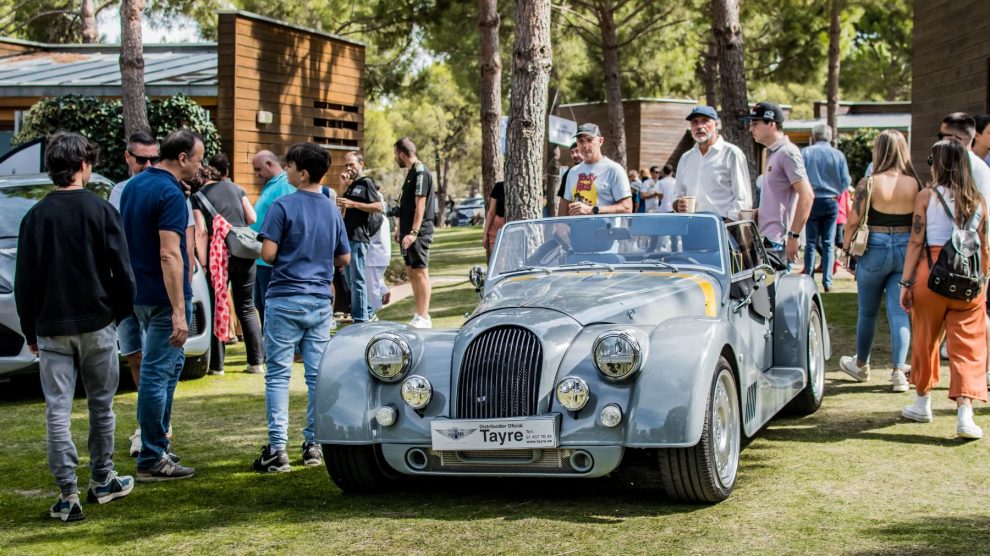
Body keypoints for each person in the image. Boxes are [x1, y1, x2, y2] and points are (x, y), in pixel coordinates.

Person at [15, 132, 135, 522]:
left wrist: (31, 331)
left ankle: (67, 493)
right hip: (97, 322)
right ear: (85, 166)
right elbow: (124, 274)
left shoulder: (35, 217)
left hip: (51, 327)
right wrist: (115, 314)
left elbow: (25, 281)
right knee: (101, 406)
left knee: (58, 410)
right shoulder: (101, 211)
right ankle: (102, 478)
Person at [254, 143, 350, 472]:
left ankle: (277, 449)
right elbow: (344, 257)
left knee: (279, 375)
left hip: (284, 297)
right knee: (315, 376)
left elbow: (267, 254)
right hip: (320, 300)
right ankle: (313, 444)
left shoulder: (282, 206)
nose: (287, 171)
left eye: (290, 166)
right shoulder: (330, 209)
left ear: (303, 172)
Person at [120, 129, 203, 482]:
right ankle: (152, 456)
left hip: (137, 294)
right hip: (162, 297)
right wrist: (180, 312)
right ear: (182, 158)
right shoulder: (169, 192)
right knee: (156, 375)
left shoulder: (134, 185)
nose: (200, 167)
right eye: (198, 159)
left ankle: (158, 445)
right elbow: (170, 253)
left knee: (167, 369)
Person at [898, 140, 987, 439]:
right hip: (969, 279)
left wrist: (905, 282)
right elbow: (984, 248)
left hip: (931, 272)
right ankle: (965, 414)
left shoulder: (926, 196)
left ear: (939, 164)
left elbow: (915, 241)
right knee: (968, 346)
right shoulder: (978, 201)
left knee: (925, 339)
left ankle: (923, 402)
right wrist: (983, 281)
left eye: (930, 160)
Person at [838, 130, 920, 392]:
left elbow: (852, 221)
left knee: (868, 312)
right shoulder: (915, 182)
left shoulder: (869, 182)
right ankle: (898, 371)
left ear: (879, 150)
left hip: (874, 245)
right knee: (899, 312)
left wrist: (847, 251)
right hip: (906, 247)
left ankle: (861, 364)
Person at [107, 131, 158, 458]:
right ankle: (146, 424)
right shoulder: (118, 192)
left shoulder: (163, 187)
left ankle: (154, 425)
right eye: (142, 159)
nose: (148, 165)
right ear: (128, 158)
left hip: (154, 288)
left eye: (153, 158)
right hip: (125, 287)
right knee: (135, 355)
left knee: (156, 359)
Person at [191, 153, 264, 376]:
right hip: (243, 251)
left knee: (217, 305)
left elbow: (201, 232)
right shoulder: (236, 188)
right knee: (246, 306)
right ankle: (256, 363)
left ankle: (217, 366)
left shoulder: (197, 197)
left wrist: (203, 264)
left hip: (218, 256)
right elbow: (251, 218)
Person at [747, 102, 814, 264]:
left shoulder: (787, 152)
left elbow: (807, 195)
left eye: (755, 124)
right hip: (767, 238)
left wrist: (794, 236)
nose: (751, 129)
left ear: (772, 124)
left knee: (774, 289)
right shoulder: (771, 152)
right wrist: (760, 212)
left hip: (777, 242)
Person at [672, 106, 752, 220]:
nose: (699, 126)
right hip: (690, 226)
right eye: (695, 122)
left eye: (705, 121)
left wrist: (726, 226)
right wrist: (677, 205)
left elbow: (743, 198)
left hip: (723, 225)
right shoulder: (686, 158)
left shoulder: (732, 154)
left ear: (717, 124)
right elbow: (677, 195)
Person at [802, 123, 851, 291]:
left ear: (814, 136)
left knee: (810, 242)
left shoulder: (806, 153)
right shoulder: (838, 155)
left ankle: (808, 277)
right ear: (829, 137)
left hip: (812, 200)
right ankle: (827, 282)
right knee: (828, 243)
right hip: (831, 201)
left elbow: (800, 177)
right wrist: (837, 192)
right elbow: (846, 181)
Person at [336, 151, 383, 323]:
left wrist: (354, 204)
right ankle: (369, 313)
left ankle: (360, 319)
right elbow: (340, 208)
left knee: (357, 280)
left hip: (358, 237)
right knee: (349, 281)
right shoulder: (351, 185)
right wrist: (342, 186)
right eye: (346, 165)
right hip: (346, 237)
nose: (348, 168)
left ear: (361, 164)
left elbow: (379, 206)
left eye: (352, 164)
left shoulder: (366, 182)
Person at [250, 150, 295, 327]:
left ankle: (277, 351)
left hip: (272, 261)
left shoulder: (284, 184)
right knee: (261, 305)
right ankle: (269, 350)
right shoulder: (270, 185)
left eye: (258, 169)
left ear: (270, 164)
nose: (257, 174)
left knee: (271, 310)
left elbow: (289, 221)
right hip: (261, 260)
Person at [394, 137, 436, 329]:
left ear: (402, 154)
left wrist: (413, 232)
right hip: (407, 232)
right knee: (411, 271)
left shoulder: (420, 172)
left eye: (396, 154)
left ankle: (424, 315)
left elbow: (420, 204)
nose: (396, 158)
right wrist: (399, 230)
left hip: (418, 232)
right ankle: (419, 313)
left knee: (420, 272)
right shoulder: (411, 172)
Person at [559, 123, 632, 216]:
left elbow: (627, 207)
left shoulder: (614, 170)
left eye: (589, 140)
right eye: (581, 141)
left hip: (606, 229)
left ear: (600, 141)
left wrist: (592, 210)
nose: (585, 145)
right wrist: (560, 227)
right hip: (578, 229)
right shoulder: (573, 172)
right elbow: (565, 206)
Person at [367, 191, 392, 312]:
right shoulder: (384, 218)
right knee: (377, 281)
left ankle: (374, 312)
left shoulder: (374, 218)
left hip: (373, 256)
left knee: (372, 289)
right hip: (383, 256)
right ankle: (384, 291)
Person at [555, 142, 584, 216]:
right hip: (575, 220)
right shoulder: (568, 174)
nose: (574, 155)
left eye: (577, 151)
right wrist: (560, 224)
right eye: (572, 152)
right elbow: (563, 202)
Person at [482, 180, 506, 260]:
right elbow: (491, 212)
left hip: (514, 228)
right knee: (497, 259)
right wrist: (485, 234)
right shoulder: (499, 186)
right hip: (497, 228)